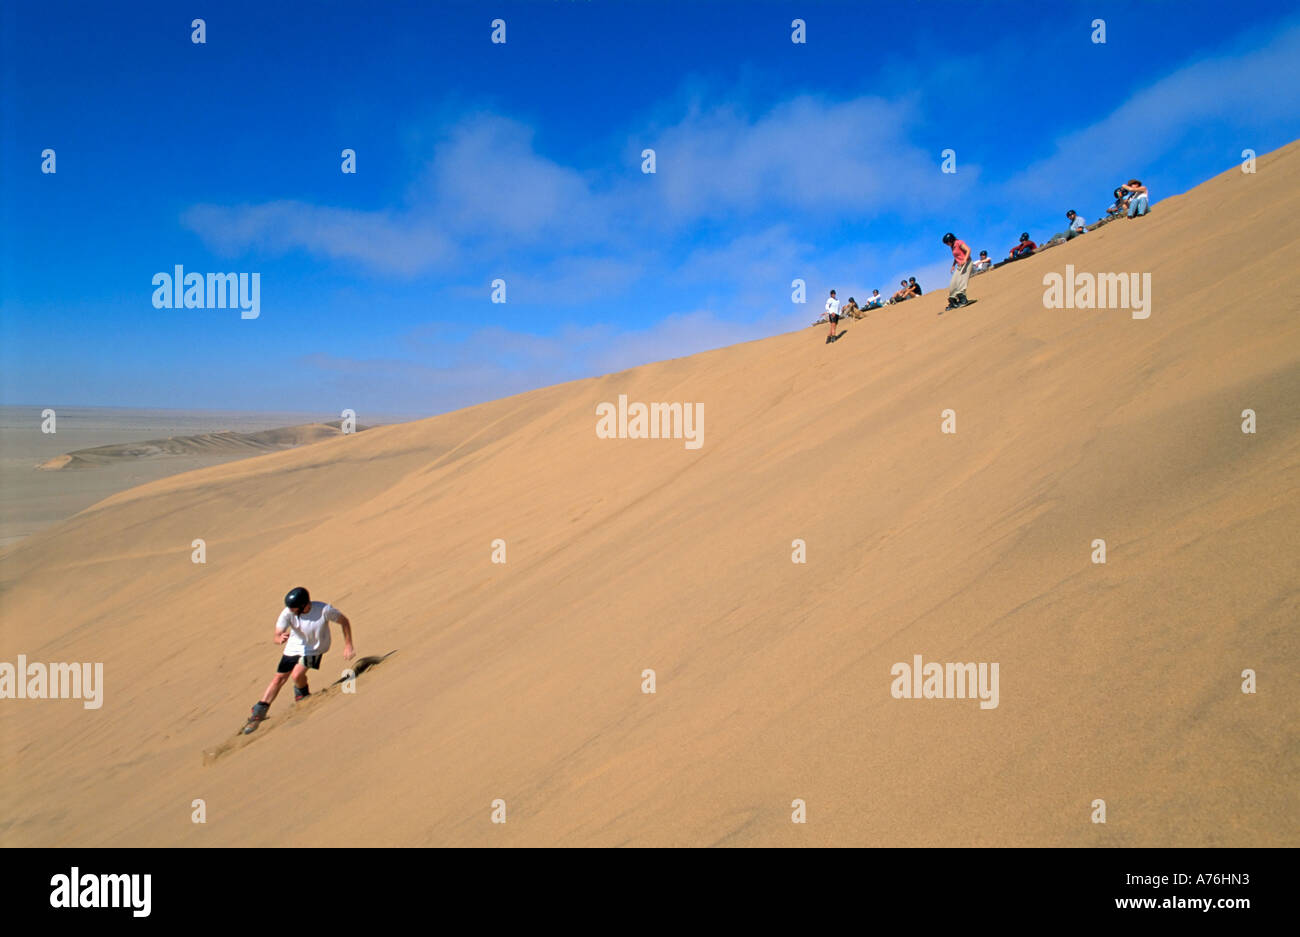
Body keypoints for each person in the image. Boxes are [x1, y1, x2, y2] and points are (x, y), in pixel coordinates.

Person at [248, 586, 355, 726]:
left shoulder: (324, 610)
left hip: (314, 648)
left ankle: (302, 694)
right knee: (278, 678)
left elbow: (344, 621)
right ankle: (260, 711)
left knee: (297, 675)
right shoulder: (288, 613)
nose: (290, 610)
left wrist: (348, 645)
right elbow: (277, 634)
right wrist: (279, 638)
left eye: (293, 608)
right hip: (293, 647)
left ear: (304, 605)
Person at [942, 232, 972, 312]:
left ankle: (963, 299)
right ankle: (953, 300)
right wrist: (953, 265)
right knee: (953, 283)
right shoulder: (952, 246)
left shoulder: (959, 242)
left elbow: (968, 250)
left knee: (962, 281)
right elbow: (956, 256)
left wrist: (965, 259)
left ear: (950, 240)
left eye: (947, 242)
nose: (947, 244)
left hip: (967, 263)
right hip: (959, 265)